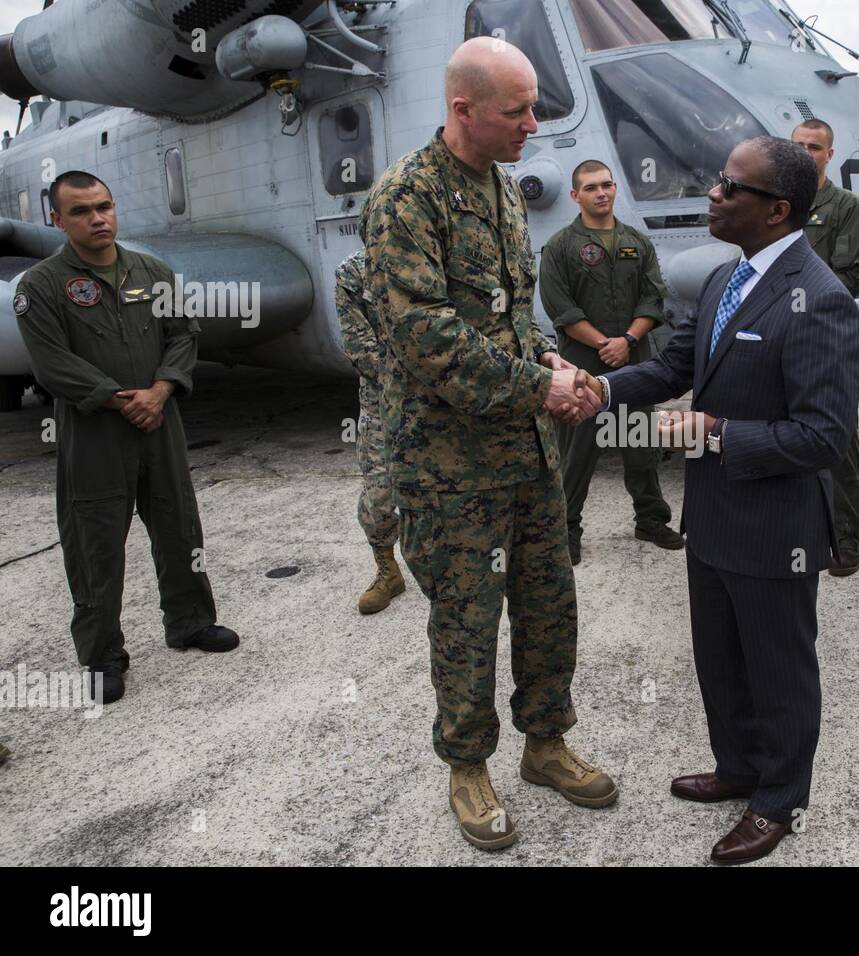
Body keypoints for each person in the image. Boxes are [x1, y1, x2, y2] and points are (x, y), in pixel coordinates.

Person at [357, 38, 616, 852]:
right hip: (449, 467)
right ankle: (467, 766)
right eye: (517, 111)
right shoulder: (407, 199)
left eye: (534, 105)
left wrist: (546, 357)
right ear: (463, 110)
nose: (533, 124)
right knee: (466, 622)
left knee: (549, 606)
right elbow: (426, 338)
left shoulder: (503, 190)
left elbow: (509, 313)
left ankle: (546, 744)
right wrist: (539, 385)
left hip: (526, 454)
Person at [586, 136, 859, 864]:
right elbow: (676, 364)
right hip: (712, 520)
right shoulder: (722, 278)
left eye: (729, 188)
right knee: (721, 659)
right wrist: (601, 389)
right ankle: (739, 766)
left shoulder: (821, 299)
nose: (713, 194)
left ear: (775, 211)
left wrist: (716, 432)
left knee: (779, 669)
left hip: (775, 530)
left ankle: (779, 800)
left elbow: (823, 437)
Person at [14, 171, 239, 706]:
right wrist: (122, 399)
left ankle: (190, 622)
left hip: (159, 426)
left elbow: (183, 334)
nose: (98, 219)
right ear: (57, 220)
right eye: (82, 211)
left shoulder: (151, 271)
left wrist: (159, 392)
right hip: (94, 436)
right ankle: (103, 655)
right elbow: (51, 365)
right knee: (95, 546)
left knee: (179, 527)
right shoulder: (41, 286)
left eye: (105, 206)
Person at [539, 159, 681, 564]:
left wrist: (629, 340)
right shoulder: (561, 247)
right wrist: (607, 344)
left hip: (634, 362)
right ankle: (567, 530)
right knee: (577, 452)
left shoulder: (637, 241)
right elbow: (560, 309)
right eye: (590, 188)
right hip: (581, 368)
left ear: (615, 188)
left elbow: (653, 299)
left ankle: (650, 520)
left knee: (640, 444)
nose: (600, 193)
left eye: (606, 185)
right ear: (575, 196)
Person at [790, 118, 859, 576]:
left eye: (814, 147)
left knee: (836, 442)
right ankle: (800, 531)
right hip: (777, 338)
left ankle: (847, 539)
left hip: (824, 339)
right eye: (798, 146)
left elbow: (853, 274)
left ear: (829, 154)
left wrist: (796, 303)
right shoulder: (777, 204)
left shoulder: (845, 208)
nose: (806, 153)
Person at [334, 250, 406, 613]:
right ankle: (387, 570)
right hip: (383, 400)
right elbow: (359, 346)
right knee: (379, 494)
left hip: (443, 396)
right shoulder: (352, 271)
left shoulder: (436, 256)